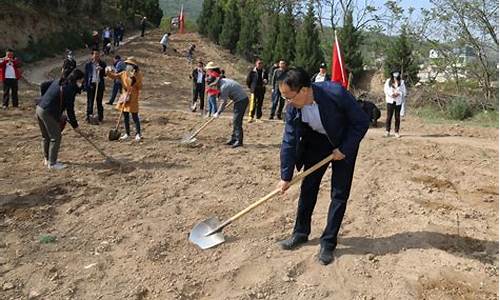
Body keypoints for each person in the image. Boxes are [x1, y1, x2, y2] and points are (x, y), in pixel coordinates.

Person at [277, 68, 369, 265]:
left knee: (339, 193)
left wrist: (344, 148)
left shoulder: (335, 93)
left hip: (344, 141)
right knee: (308, 187)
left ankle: (328, 242)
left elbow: (361, 122)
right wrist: (285, 175)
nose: (287, 102)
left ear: (303, 90)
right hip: (316, 142)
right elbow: (289, 141)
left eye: (288, 96)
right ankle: (300, 232)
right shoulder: (293, 107)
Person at [36, 69, 84, 170]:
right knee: (56, 137)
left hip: (40, 108)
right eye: (81, 81)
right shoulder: (69, 89)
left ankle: (46, 159)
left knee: (46, 136)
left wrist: (46, 98)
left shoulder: (60, 80)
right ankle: (52, 163)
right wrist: (75, 126)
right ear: (77, 80)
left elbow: (43, 85)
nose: (82, 83)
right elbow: (70, 110)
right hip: (47, 113)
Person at [106, 57, 144, 141]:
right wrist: (108, 71)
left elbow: (140, 86)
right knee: (125, 115)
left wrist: (134, 79)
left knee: (134, 116)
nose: (128, 65)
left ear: (134, 66)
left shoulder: (138, 75)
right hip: (124, 96)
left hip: (133, 96)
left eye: (130, 64)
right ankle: (127, 133)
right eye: (127, 64)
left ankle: (138, 133)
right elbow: (114, 76)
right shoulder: (123, 73)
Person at [211, 66, 249, 148]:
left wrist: (218, 112)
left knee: (237, 121)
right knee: (235, 120)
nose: (213, 86)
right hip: (238, 99)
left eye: (213, 84)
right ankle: (233, 139)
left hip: (241, 101)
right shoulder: (222, 82)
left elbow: (223, 102)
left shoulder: (224, 86)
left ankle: (239, 141)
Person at [83, 49, 107, 123]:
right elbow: (86, 76)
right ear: (92, 55)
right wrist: (85, 86)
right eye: (95, 54)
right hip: (91, 84)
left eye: (98, 54)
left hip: (99, 84)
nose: (97, 56)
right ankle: (89, 116)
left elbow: (105, 74)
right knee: (90, 101)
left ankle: (100, 117)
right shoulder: (88, 65)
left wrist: (102, 69)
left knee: (99, 102)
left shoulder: (102, 64)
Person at [384, 71, 406, 138]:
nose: (396, 74)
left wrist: (398, 93)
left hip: (398, 102)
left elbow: (404, 92)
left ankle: (396, 132)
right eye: (394, 72)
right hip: (390, 101)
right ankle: (387, 131)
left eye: (397, 72)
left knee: (397, 117)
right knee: (389, 117)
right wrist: (391, 94)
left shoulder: (402, 82)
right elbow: (385, 90)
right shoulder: (388, 81)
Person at [246, 58, 268, 122]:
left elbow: (267, 80)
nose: (260, 65)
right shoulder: (252, 72)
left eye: (261, 63)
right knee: (253, 103)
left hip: (261, 90)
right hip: (254, 90)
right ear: (256, 64)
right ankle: (251, 116)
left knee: (260, 104)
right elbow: (248, 81)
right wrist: (251, 87)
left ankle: (258, 117)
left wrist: (266, 81)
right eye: (259, 63)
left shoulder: (264, 72)